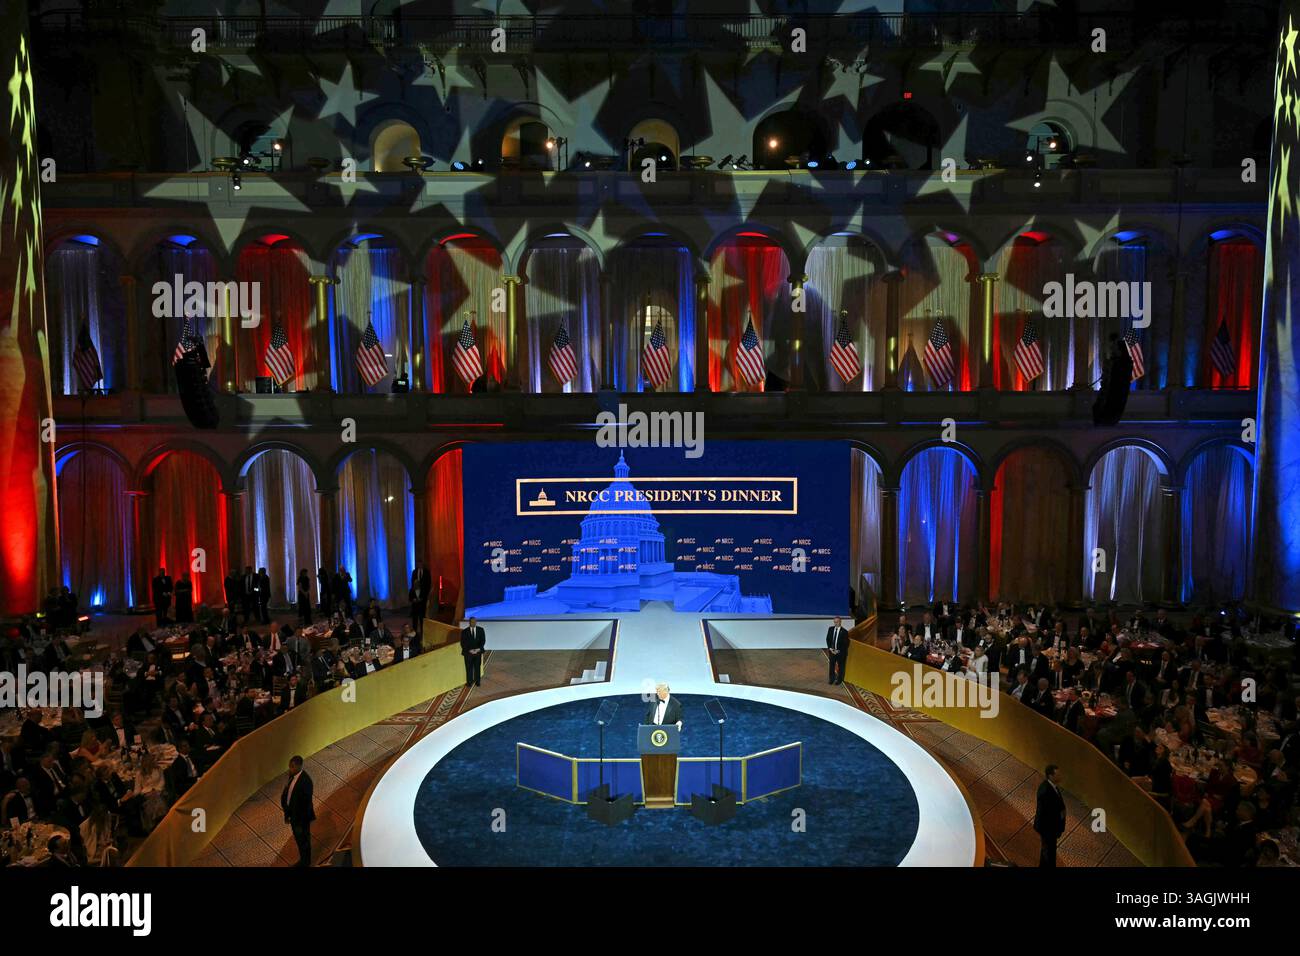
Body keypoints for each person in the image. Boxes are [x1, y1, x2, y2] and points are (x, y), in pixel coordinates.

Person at [281, 755, 315, 868]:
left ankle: (306, 862)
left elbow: (306, 804)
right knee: (299, 840)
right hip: (294, 816)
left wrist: (296, 818)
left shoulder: (306, 781)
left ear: (300, 766)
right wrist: (287, 814)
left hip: (300, 818)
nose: (290, 768)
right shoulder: (292, 776)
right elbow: (288, 795)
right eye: (290, 766)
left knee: (303, 840)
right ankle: (303, 859)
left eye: (292, 766)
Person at [1034, 764, 1067, 867]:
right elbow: (1047, 813)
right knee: (1049, 854)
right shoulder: (1045, 790)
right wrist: (1060, 815)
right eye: (1058, 775)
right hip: (1048, 829)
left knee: (1048, 853)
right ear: (1050, 776)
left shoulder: (1053, 787)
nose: (1060, 776)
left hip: (1051, 829)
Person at [460, 617, 486, 687]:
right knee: (469, 668)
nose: (473, 623)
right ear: (469, 622)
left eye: (474, 622)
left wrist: (478, 649)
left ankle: (477, 681)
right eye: (472, 622)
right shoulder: (464, 632)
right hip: (468, 654)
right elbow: (463, 643)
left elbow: (483, 641)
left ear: (476, 622)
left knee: (477, 667)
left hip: (477, 653)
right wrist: (469, 650)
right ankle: (469, 682)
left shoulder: (481, 630)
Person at [410, 559, 433, 634]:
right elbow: (412, 582)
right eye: (418, 563)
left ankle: (423, 632)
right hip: (415, 600)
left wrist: (425, 596)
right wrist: (414, 598)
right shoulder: (414, 572)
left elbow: (429, 584)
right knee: (415, 618)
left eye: (421, 563)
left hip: (423, 597)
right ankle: (415, 632)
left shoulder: (427, 572)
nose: (419, 565)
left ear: (423, 564)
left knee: (422, 617)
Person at [825, 616, 848, 686]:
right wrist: (830, 648)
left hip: (840, 653)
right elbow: (828, 639)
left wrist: (838, 651)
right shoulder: (831, 629)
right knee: (832, 666)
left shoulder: (844, 632)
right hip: (832, 651)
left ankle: (839, 680)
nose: (835, 623)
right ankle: (831, 679)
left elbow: (846, 644)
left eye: (837, 622)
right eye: (834, 622)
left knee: (841, 667)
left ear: (840, 622)